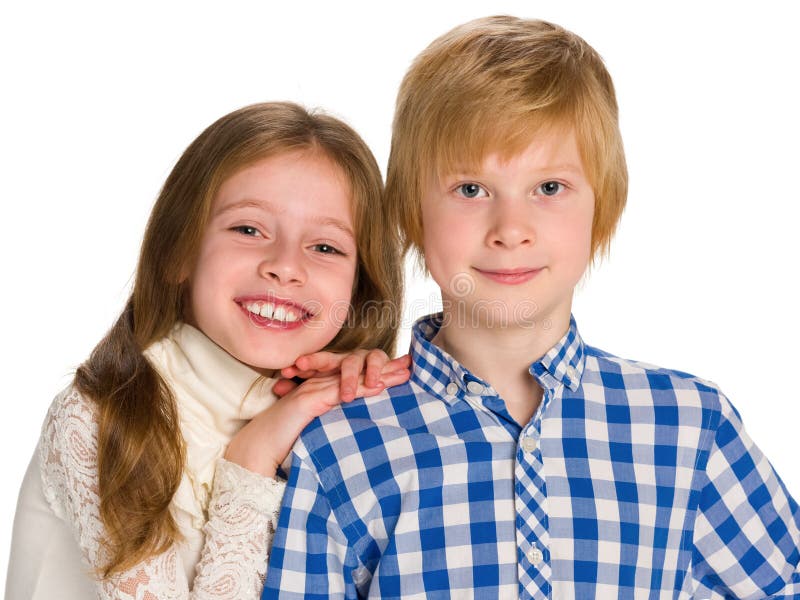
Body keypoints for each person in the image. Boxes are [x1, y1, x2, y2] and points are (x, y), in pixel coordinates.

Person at [262, 18, 800, 599]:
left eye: (549, 188)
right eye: (471, 189)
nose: (511, 229)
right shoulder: (340, 443)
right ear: (413, 211)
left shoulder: (688, 427)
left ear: (602, 206)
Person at [5, 101, 409, 599]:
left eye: (325, 247)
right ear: (179, 252)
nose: (285, 266)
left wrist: (366, 400)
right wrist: (252, 460)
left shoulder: (319, 414)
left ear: (358, 290)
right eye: (248, 229)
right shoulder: (100, 419)